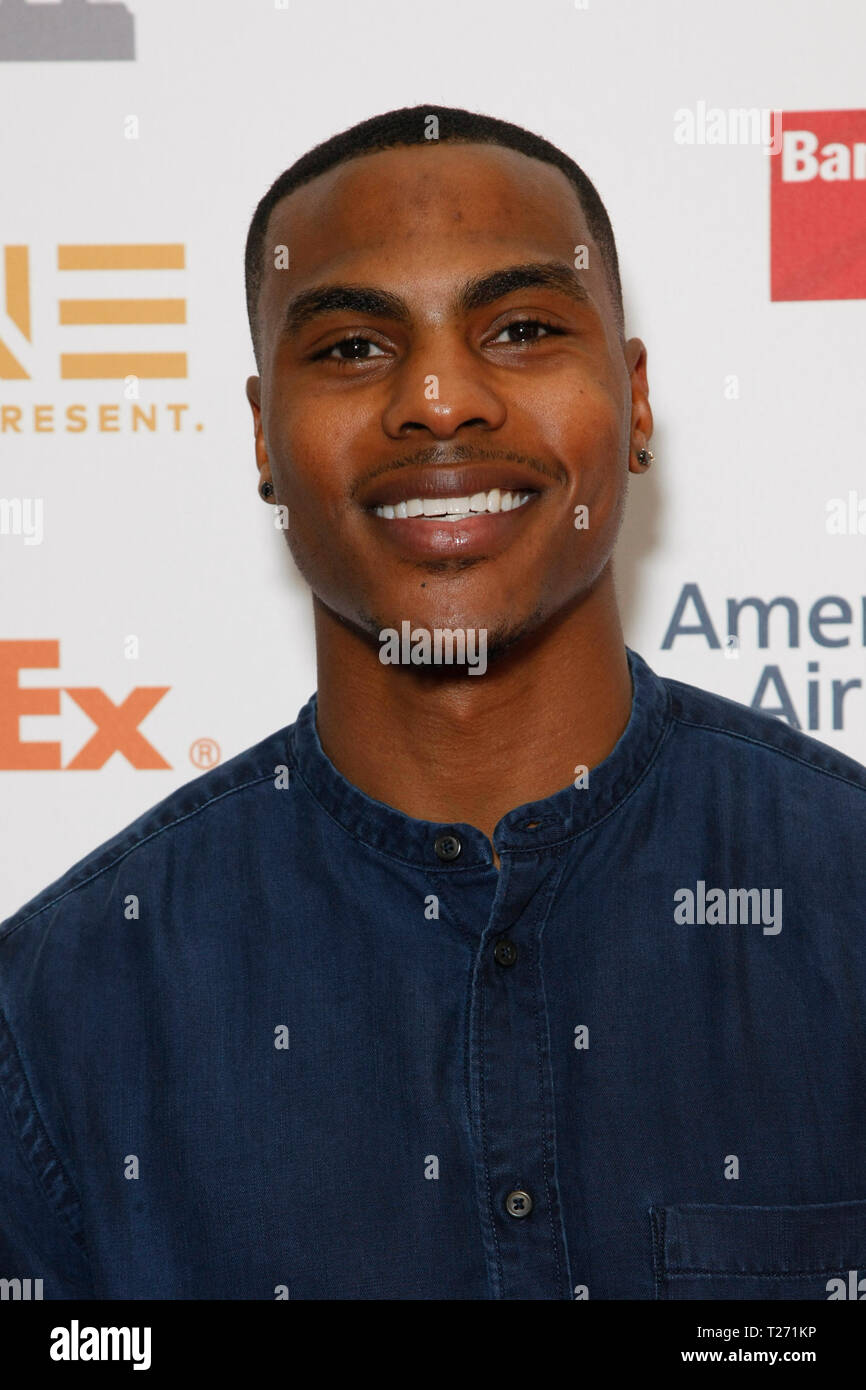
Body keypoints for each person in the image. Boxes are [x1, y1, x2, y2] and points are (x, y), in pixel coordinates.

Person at [2, 104, 865, 1302]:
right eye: (353, 347)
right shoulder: (57, 1010)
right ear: (262, 434)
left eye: (517, 329)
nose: (439, 398)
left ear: (634, 401)